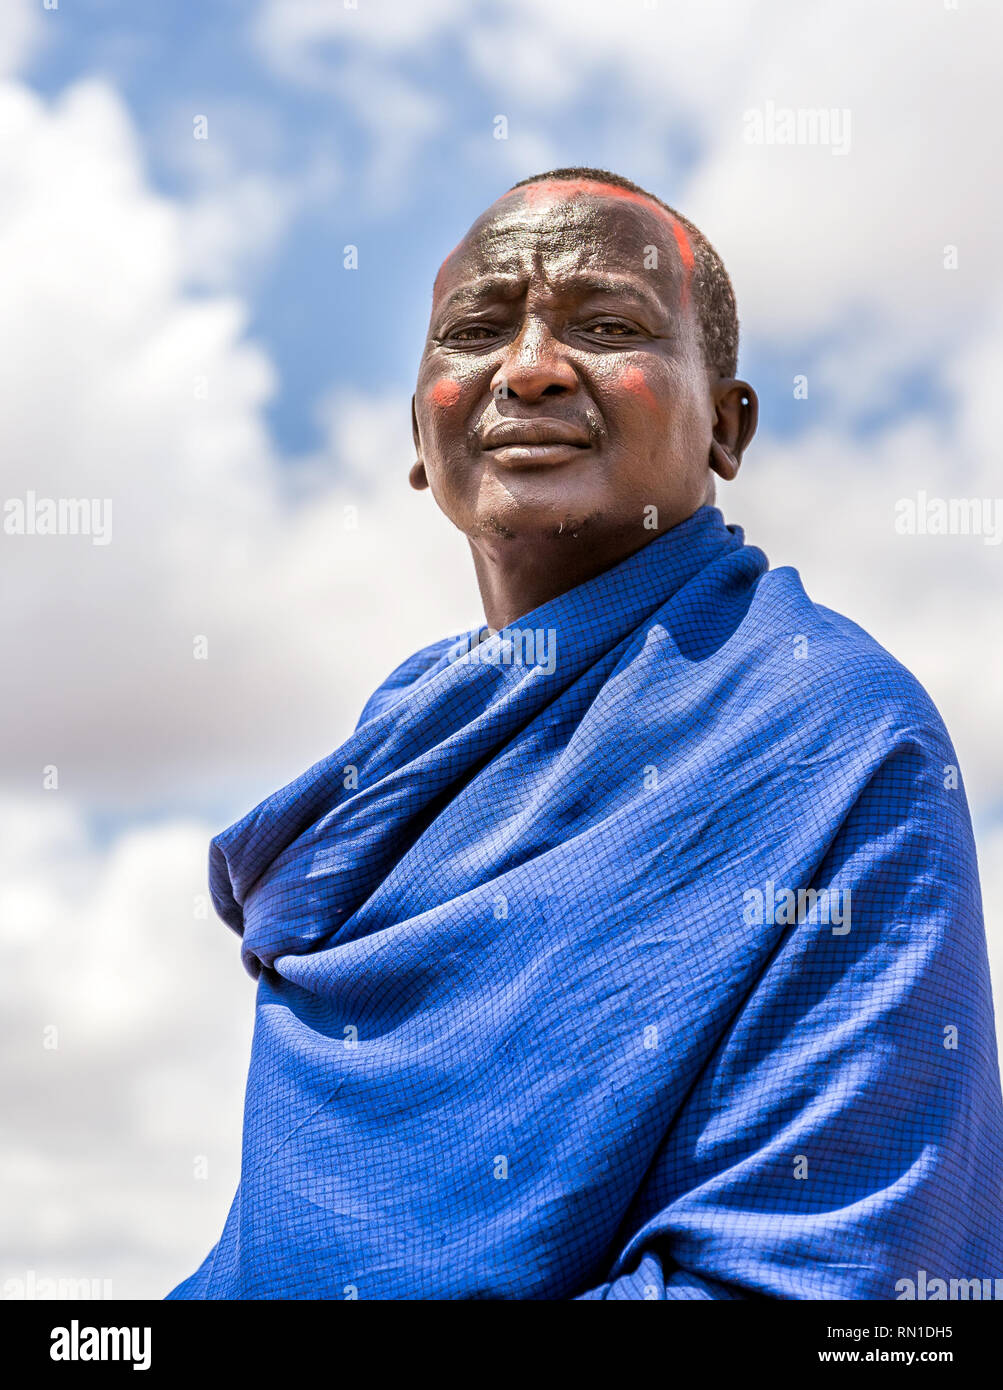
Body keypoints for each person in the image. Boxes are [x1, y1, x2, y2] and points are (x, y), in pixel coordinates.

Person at [166, 168, 1003, 1300]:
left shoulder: (830, 730)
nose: (528, 367)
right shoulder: (400, 755)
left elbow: (826, 1274)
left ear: (728, 425)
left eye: (608, 326)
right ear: (421, 432)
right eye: (475, 331)